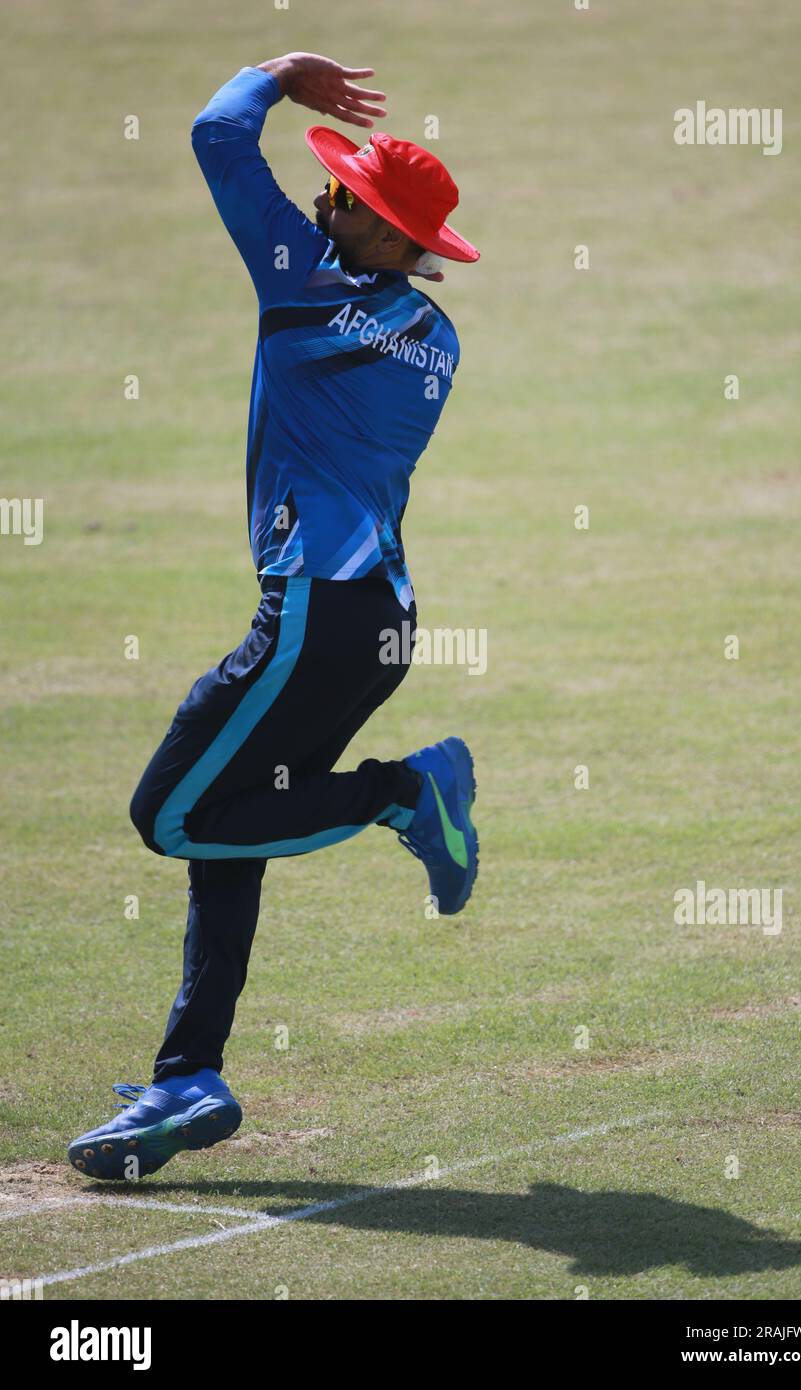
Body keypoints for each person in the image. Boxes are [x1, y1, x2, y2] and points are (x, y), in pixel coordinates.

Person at [68, 51, 480, 1181]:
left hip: (314, 620)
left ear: (392, 240)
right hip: (379, 623)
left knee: (170, 815)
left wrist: (273, 73)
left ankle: (406, 791)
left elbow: (214, 137)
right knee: (235, 822)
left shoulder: (310, 281)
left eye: (350, 201)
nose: (325, 199)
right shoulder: (436, 337)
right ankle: (188, 1075)